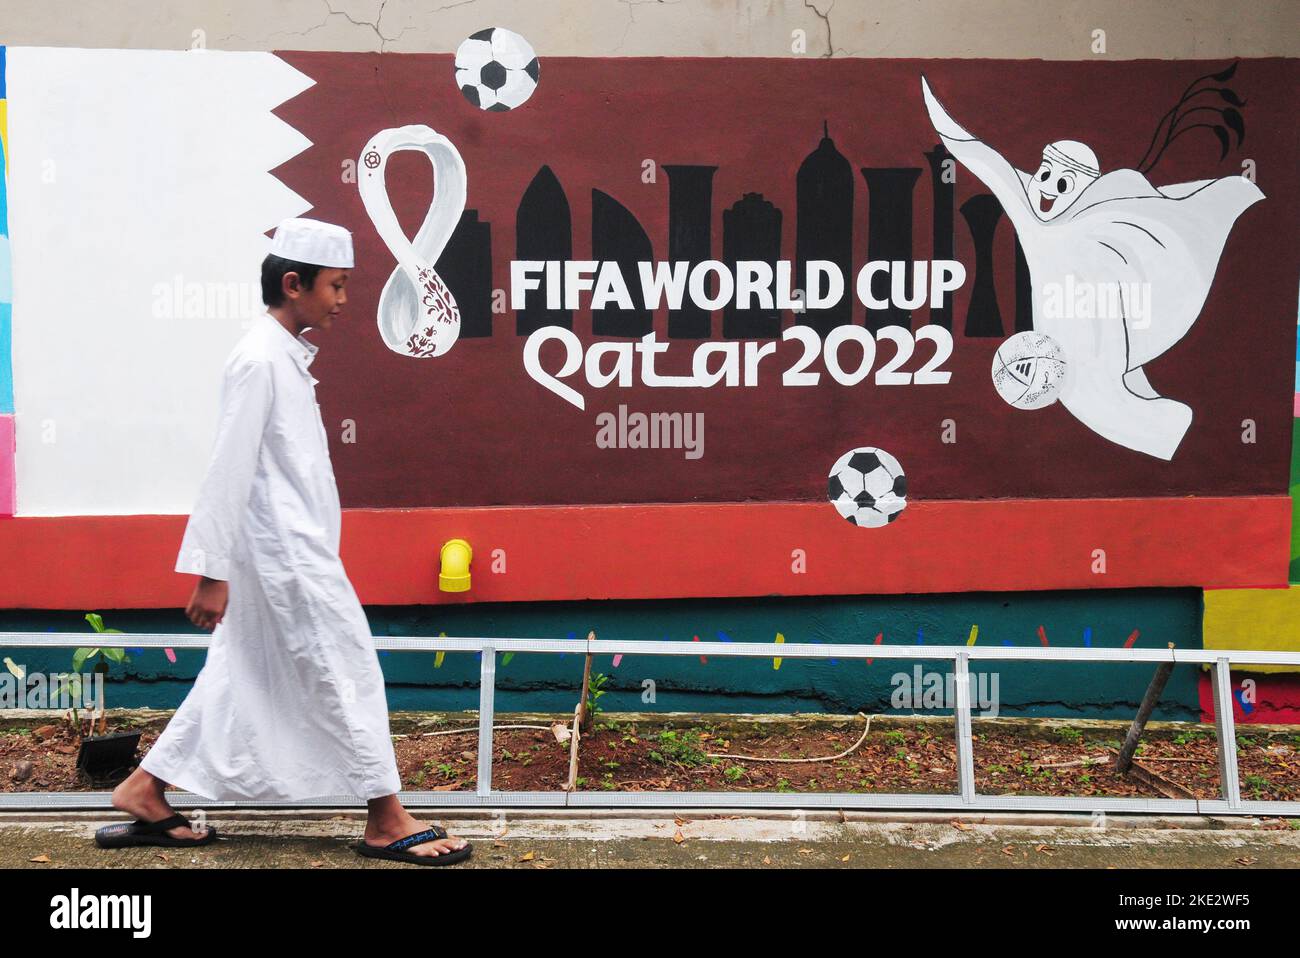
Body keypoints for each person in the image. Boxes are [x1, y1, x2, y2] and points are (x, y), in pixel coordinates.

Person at [95, 217, 471, 866]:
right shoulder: (258, 360)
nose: (344, 300)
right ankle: (386, 818)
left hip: (292, 553)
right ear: (294, 284)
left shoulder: (281, 356)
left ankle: (144, 789)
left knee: (241, 676)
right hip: (284, 559)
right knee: (345, 667)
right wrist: (211, 571)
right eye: (336, 287)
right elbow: (228, 468)